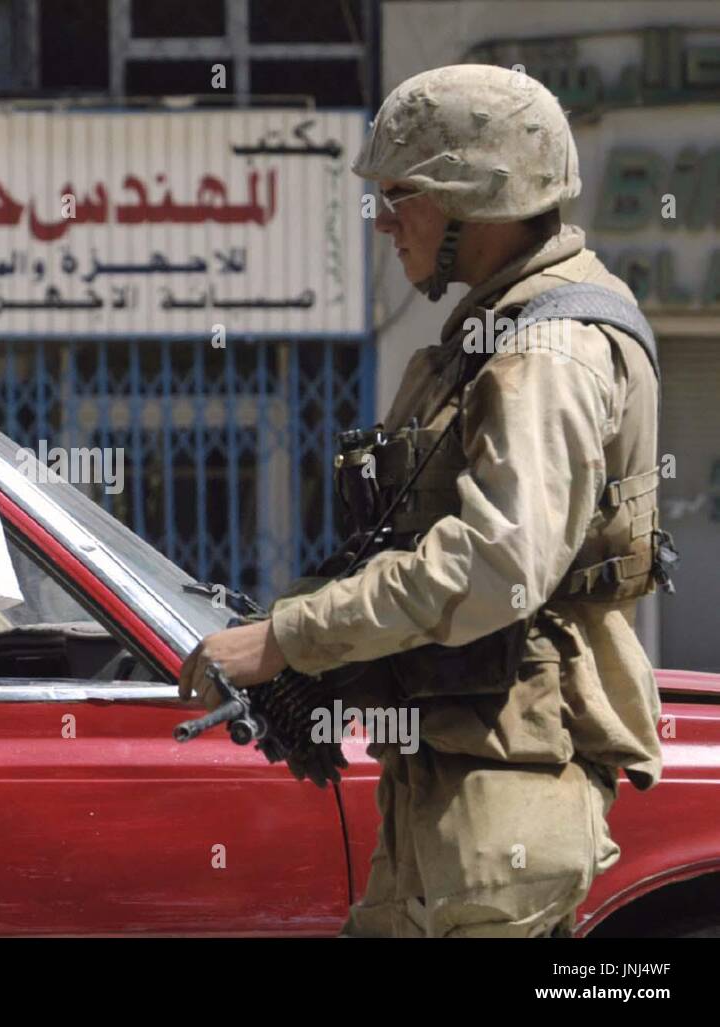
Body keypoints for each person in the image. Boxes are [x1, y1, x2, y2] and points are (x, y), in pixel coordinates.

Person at [178, 65, 668, 937]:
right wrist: (317, 658)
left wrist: (288, 637)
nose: (381, 219)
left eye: (401, 194)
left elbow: (497, 561)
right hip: (463, 780)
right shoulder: (493, 336)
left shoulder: (547, 351)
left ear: (477, 198)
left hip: (506, 794)